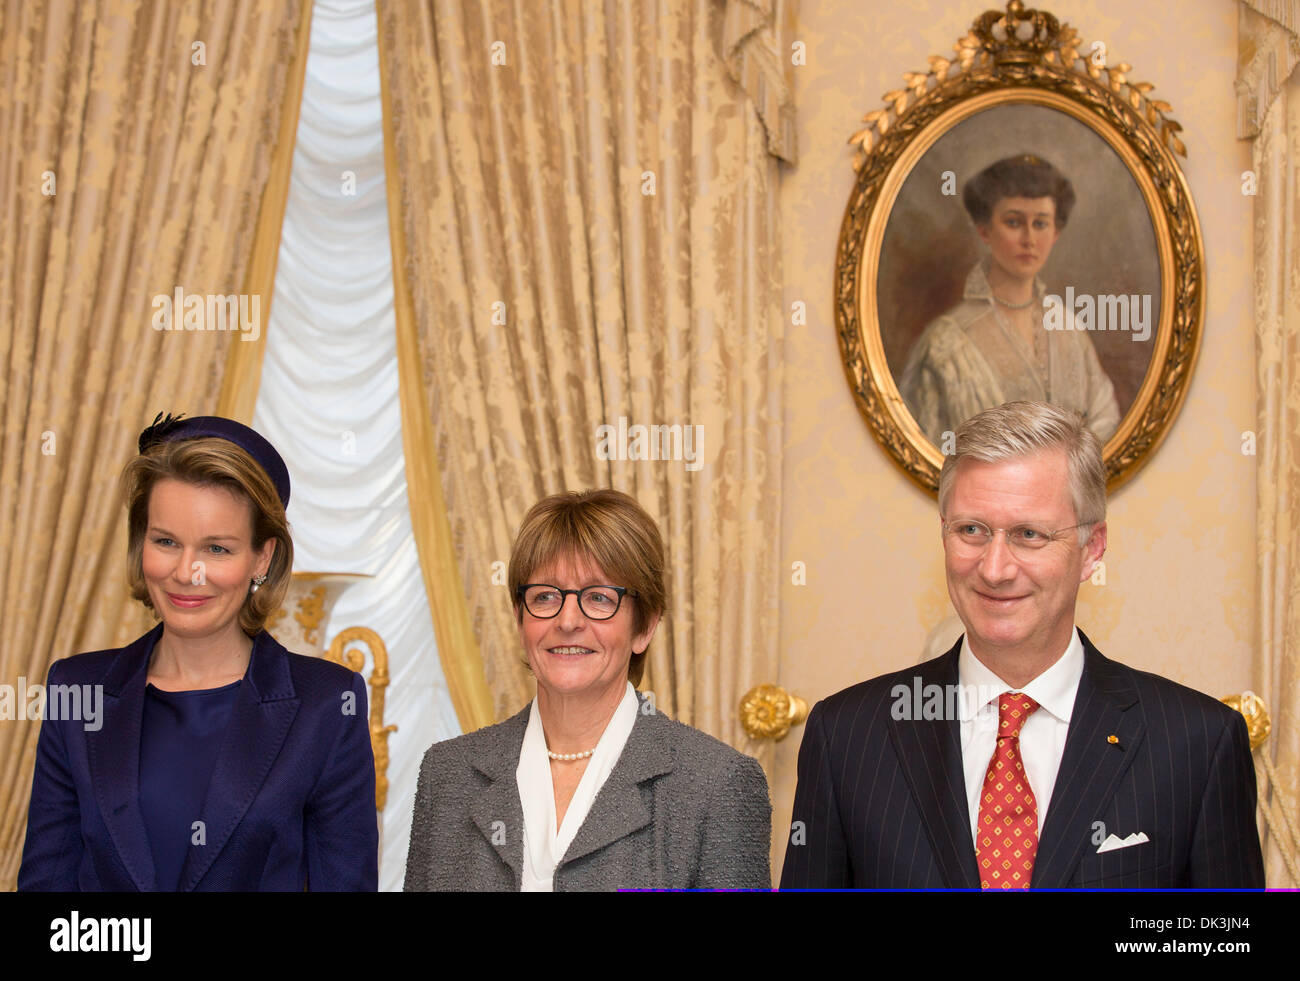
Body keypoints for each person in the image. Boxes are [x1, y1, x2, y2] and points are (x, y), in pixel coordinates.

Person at [781, 401, 1264, 889]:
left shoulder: (1197, 744)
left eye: (1029, 534)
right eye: (971, 530)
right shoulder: (847, 737)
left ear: (1092, 549)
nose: (995, 569)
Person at [18, 414, 377, 891]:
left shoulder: (327, 704)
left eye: (216, 549)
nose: (188, 572)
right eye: (166, 541)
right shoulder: (76, 689)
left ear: (263, 557)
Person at [404, 488, 772, 890]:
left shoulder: (716, 784)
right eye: (545, 596)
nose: (568, 621)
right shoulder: (447, 775)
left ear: (645, 626)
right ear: (520, 618)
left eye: (598, 598)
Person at [899, 155, 1121, 446]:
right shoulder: (944, 343)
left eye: (1040, 223)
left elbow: (1105, 422)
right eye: (1014, 222)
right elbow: (930, 446)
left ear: (1055, 233)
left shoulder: (1069, 329)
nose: (1029, 239)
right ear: (985, 230)